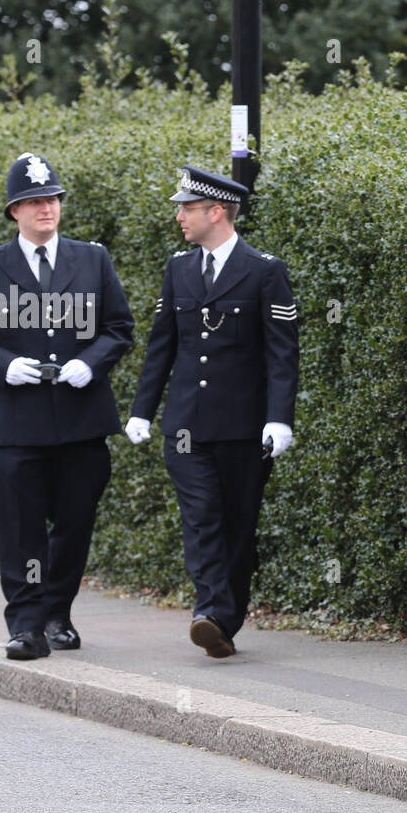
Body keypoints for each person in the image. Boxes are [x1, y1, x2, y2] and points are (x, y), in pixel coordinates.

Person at [0, 152, 135, 660]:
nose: (45, 209)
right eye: (33, 201)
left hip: (82, 418)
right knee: (20, 527)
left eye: (51, 198)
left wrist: (92, 362)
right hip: (15, 421)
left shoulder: (92, 259)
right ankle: (26, 625)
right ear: (15, 211)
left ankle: (58, 614)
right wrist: (0, 365)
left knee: (75, 523)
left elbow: (120, 329)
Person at [125, 166, 299, 659]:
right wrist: (143, 410)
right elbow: (163, 345)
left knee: (238, 522)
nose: (180, 216)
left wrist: (279, 418)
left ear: (216, 212)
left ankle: (226, 617)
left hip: (244, 427)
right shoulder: (179, 268)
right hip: (186, 425)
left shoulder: (265, 270)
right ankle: (209, 611)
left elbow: (282, 353)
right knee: (201, 516)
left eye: (187, 207)